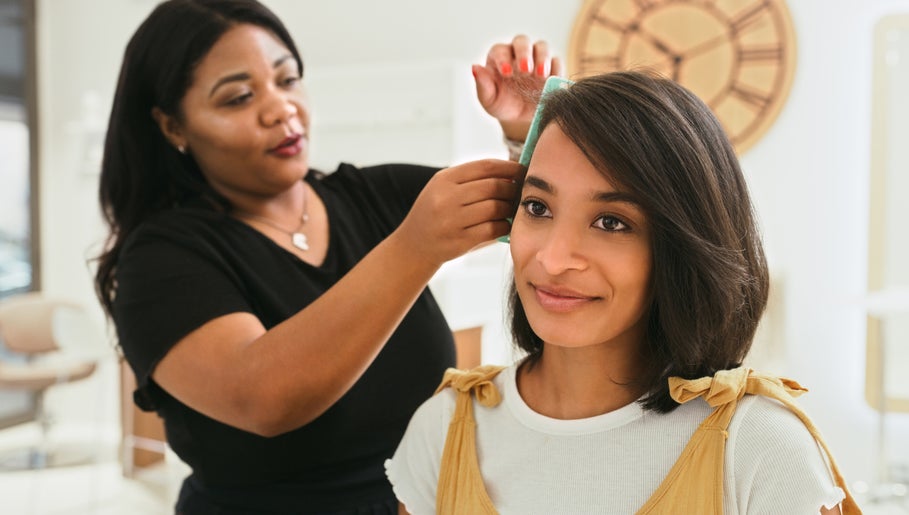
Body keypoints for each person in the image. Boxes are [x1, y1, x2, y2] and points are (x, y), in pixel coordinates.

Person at [92, 0, 562, 513]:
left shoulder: (372, 194)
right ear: (172, 126)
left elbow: (538, 214)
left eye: (287, 79)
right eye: (239, 97)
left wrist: (526, 134)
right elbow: (264, 398)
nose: (280, 108)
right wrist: (412, 248)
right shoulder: (159, 260)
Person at [385, 71, 861, 514]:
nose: (552, 259)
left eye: (611, 222)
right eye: (537, 207)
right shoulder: (444, 429)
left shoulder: (760, 446)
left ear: (682, 248)